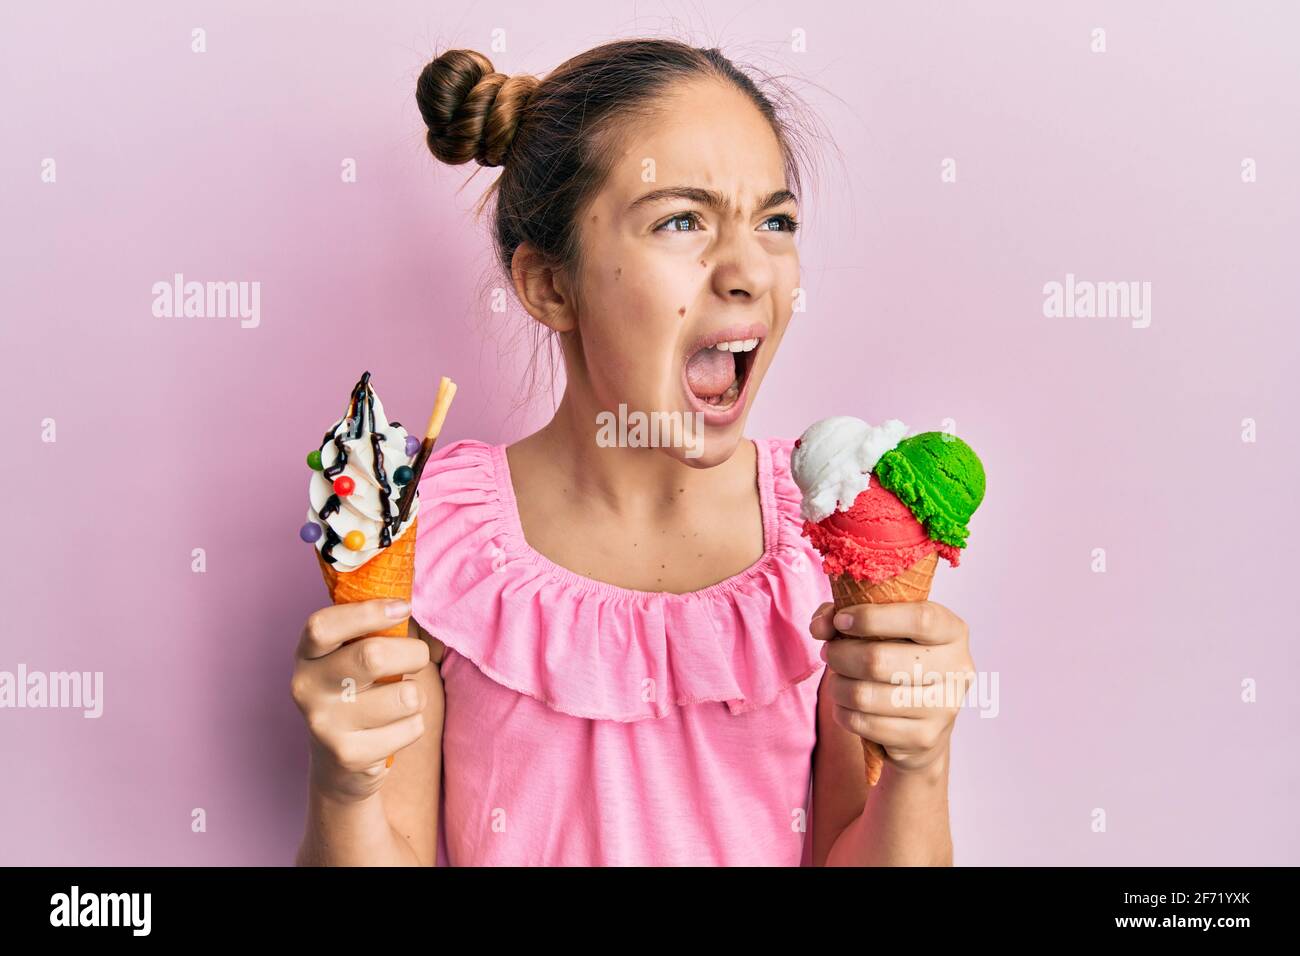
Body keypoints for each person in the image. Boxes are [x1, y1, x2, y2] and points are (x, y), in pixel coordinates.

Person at [291, 37, 975, 866]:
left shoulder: (829, 532)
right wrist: (343, 785)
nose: (749, 270)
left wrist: (920, 763)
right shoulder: (435, 538)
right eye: (681, 220)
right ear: (550, 285)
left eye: (775, 221)